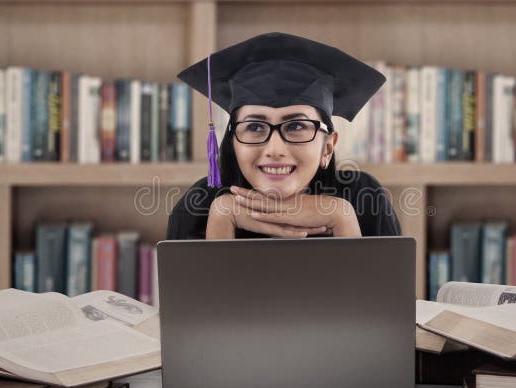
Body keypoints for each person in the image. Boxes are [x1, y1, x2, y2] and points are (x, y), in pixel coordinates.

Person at [166, 32, 402, 240]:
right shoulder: (198, 206)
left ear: (327, 148)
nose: (274, 149)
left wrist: (342, 218)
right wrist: (220, 219)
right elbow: (199, 292)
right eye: (255, 127)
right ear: (233, 143)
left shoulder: (365, 198)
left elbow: (384, 292)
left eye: (296, 126)